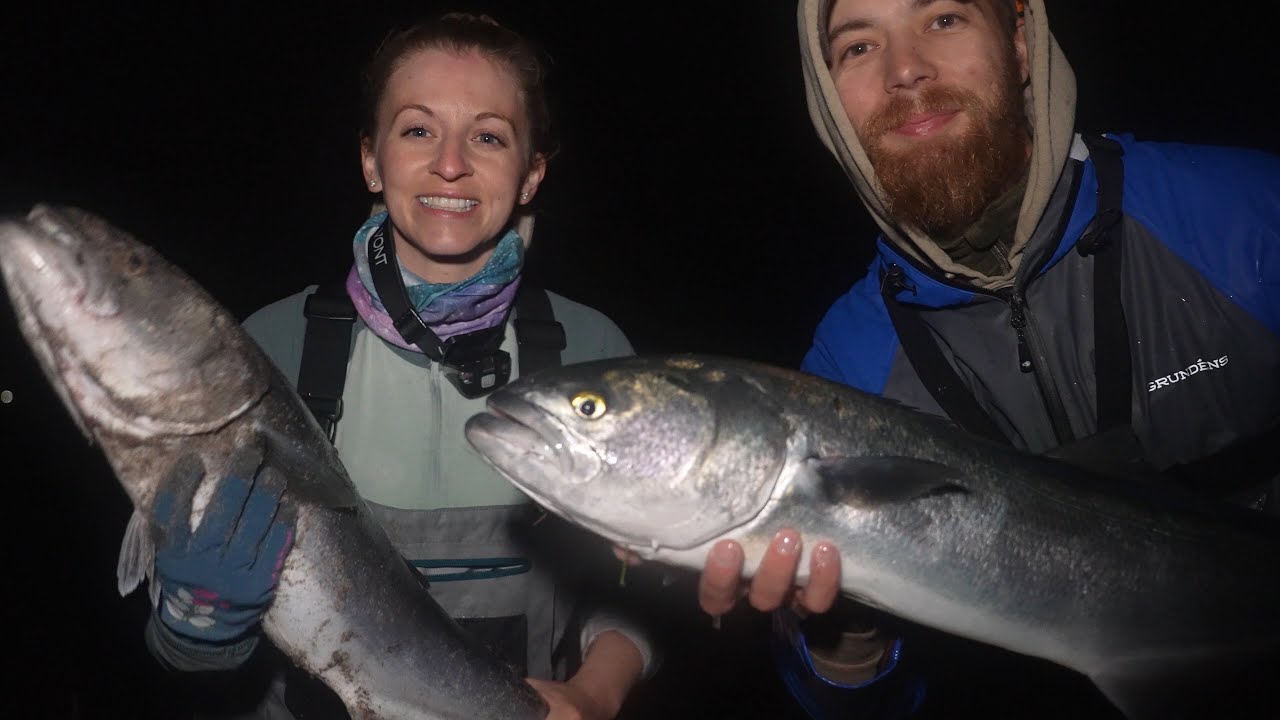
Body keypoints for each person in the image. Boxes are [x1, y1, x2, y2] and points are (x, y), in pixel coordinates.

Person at [690, 0, 1280, 716]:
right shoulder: (847, 365)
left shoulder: (1249, 218)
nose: (906, 70)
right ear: (828, 103)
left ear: (1023, 44)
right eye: (856, 48)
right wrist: (847, 637)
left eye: (942, 18)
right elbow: (863, 706)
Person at [141, 13, 655, 720]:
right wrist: (197, 625)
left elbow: (639, 591)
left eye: (488, 136)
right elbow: (188, 658)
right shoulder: (273, 345)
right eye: (417, 130)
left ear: (532, 172)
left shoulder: (591, 351)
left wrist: (594, 695)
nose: (451, 163)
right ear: (370, 160)